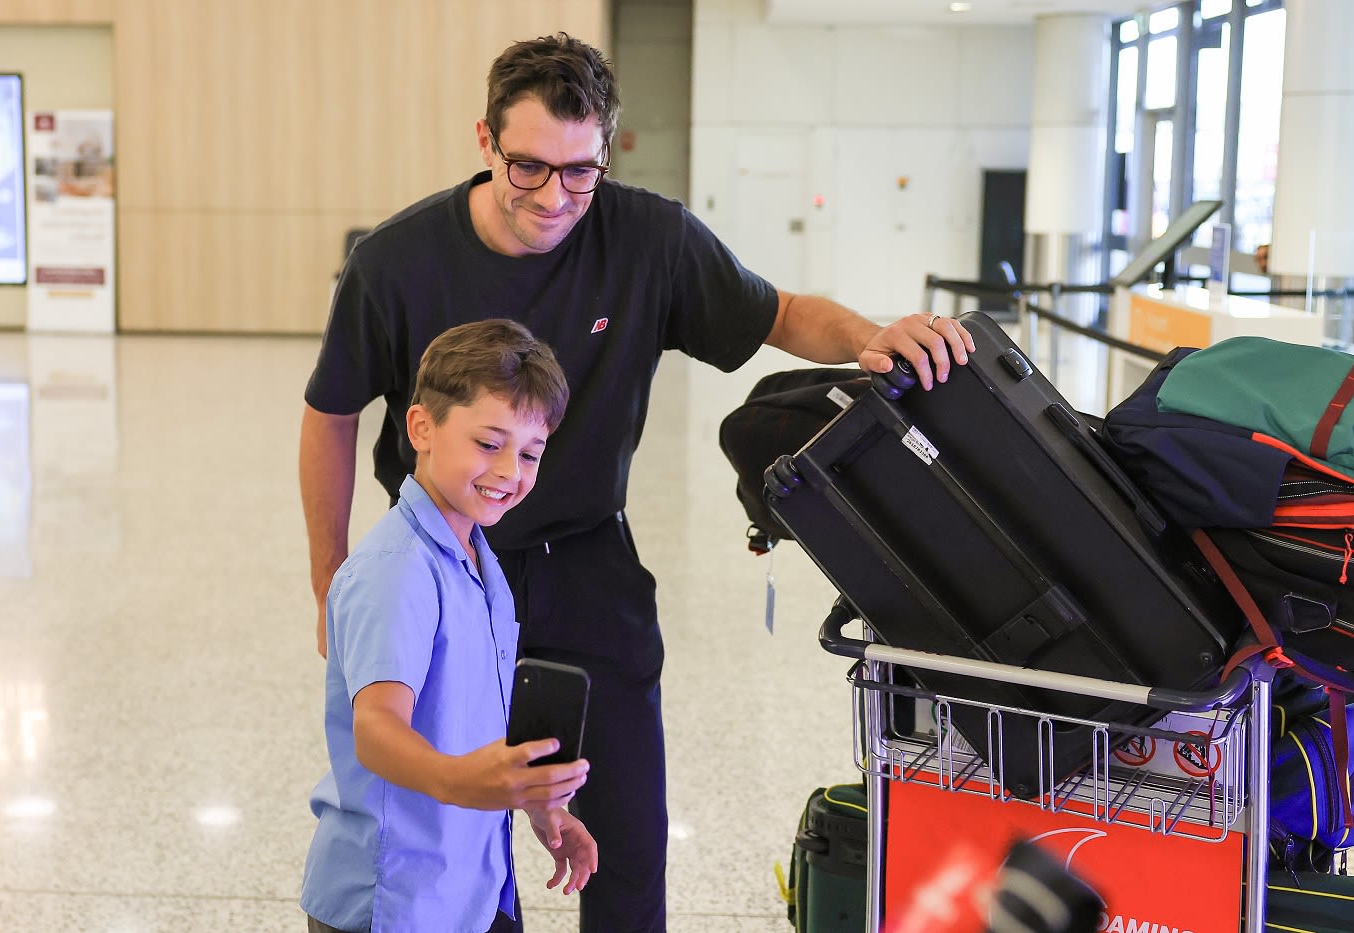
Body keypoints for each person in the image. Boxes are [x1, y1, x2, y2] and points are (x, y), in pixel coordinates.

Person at [299, 33, 974, 933]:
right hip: (452, 561)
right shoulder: (396, 263)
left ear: (606, 152)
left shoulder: (646, 236)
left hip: (586, 560)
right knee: (447, 810)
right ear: (485, 141)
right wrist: (330, 580)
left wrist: (869, 336)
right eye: (528, 167)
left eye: (580, 172)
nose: (554, 196)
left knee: (619, 825)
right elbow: (331, 415)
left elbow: (776, 313)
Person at [301, 320, 597, 933]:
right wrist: (462, 783)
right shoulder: (397, 572)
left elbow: (471, 717)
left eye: (531, 453)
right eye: (489, 443)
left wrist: (537, 805)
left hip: (472, 885)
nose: (511, 471)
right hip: (396, 902)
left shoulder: (478, 559)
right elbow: (377, 729)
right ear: (422, 428)